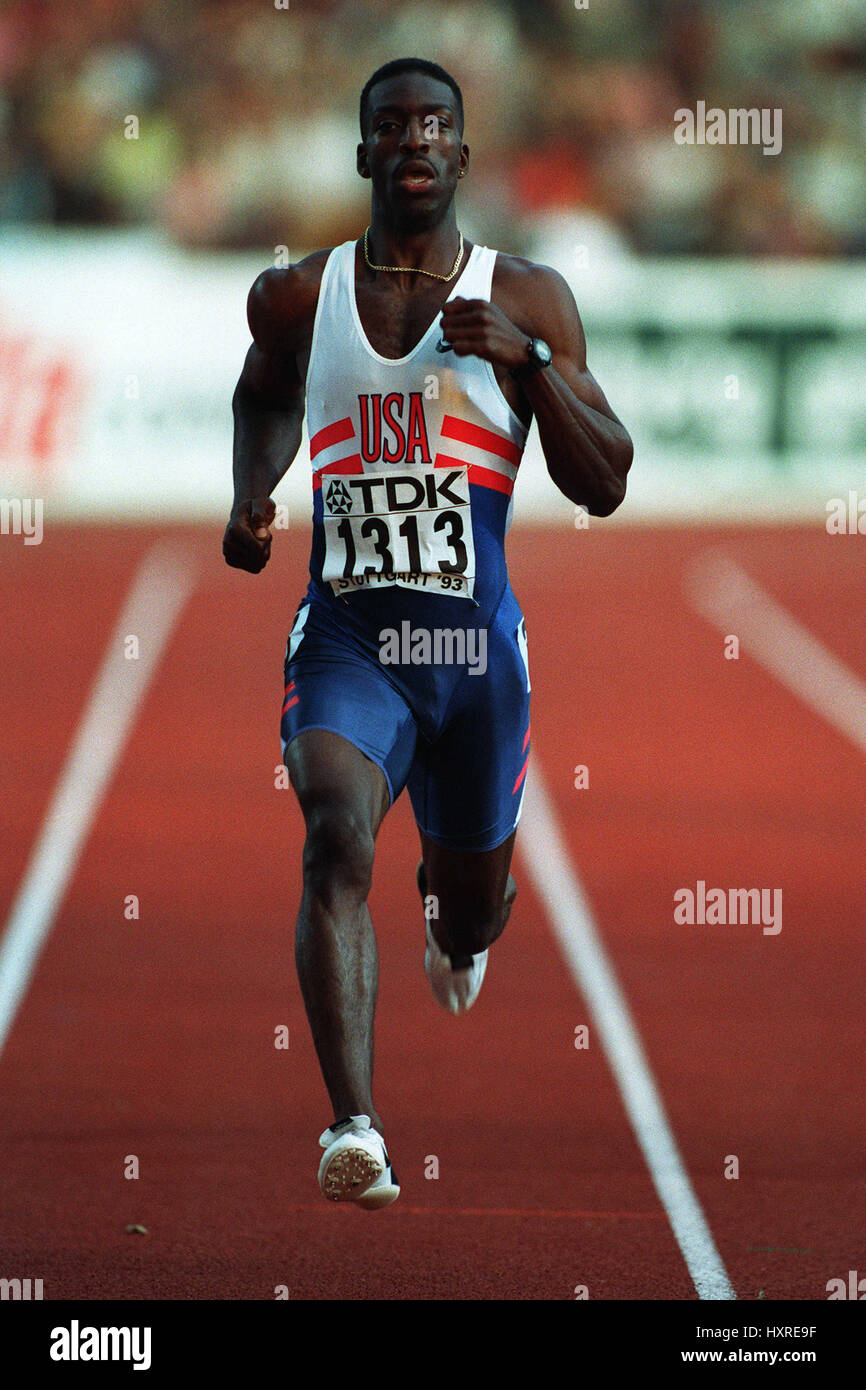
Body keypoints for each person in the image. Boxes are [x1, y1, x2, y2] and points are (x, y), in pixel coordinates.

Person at [223, 57, 632, 1210]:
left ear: (463, 153)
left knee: (469, 902)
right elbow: (261, 394)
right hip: (350, 645)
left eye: (436, 126)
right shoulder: (300, 295)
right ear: (362, 153)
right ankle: (352, 1124)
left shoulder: (532, 295)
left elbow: (602, 481)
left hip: (470, 663)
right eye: (392, 125)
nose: (414, 141)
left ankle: (455, 936)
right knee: (333, 837)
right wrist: (253, 493)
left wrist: (527, 360)